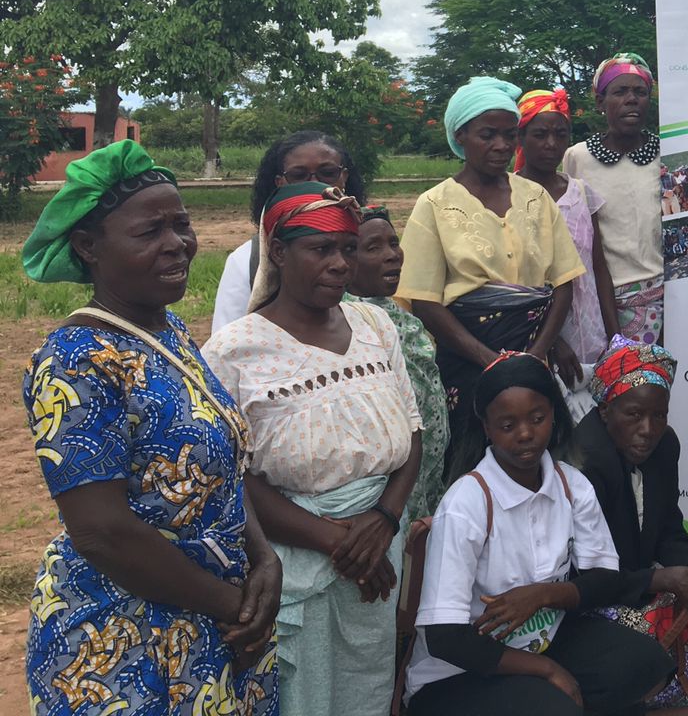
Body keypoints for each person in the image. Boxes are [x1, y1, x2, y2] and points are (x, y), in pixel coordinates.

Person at [21, 143, 280, 716]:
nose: (177, 244)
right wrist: (232, 603)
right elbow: (102, 532)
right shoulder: (77, 360)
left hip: (214, 624)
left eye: (181, 224)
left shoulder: (168, 335)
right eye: (150, 232)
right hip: (122, 643)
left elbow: (220, 466)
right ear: (88, 247)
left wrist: (264, 558)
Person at [204, 182, 422, 716]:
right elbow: (233, 477)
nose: (340, 264)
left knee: (366, 680)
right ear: (278, 251)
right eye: (321, 249)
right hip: (297, 553)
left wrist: (384, 521)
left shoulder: (376, 323)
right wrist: (336, 541)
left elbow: (411, 432)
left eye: (348, 249)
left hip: (379, 544)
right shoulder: (234, 350)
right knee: (299, 693)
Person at [404, 353, 675, 716]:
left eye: (537, 418)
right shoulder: (465, 504)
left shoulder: (570, 484)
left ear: (553, 414)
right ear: (486, 427)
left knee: (647, 662)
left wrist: (543, 595)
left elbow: (606, 580)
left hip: (542, 643)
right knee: (555, 707)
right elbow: (445, 638)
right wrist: (547, 670)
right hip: (457, 673)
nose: (526, 434)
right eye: (507, 424)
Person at [398, 76, 585, 464]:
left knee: (538, 463)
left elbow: (563, 283)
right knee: (471, 465)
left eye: (508, 134)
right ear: (460, 136)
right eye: (487, 135)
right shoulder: (434, 205)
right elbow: (424, 299)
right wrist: (490, 361)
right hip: (467, 362)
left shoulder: (536, 199)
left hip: (533, 358)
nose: (501, 145)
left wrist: (534, 357)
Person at [566, 337, 688, 710]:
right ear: (606, 409)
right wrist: (667, 579)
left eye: (659, 415)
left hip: (636, 575)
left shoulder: (664, 446)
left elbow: (668, 527)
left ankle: (682, 689)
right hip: (588, 597)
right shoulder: (586, 465)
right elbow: (585, 576)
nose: (648, 428)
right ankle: (637, 693)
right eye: (634, 415)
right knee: (641, 627)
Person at [349, 203, 450, 525]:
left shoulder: (398, 315)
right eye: (373, 248)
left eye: (394, 243)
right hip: (385, 493)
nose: (392, 254)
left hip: (426, 476)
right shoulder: (348, 324)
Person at [213, 130, 366, 333]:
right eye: (298, 175)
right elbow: (227, 338)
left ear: (344, 177)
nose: (314, 183)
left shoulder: (371, 247)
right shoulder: (246, 260)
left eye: (328, 173)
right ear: (280, 183)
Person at [517, 86, 622, 375]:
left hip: (591, 332)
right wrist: (552, 343)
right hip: (534, 338)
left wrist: (615, 337)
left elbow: (598, 268)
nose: (551, 143)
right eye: (540, 135)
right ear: (520, 137)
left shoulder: (580, 193)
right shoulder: (508, 197)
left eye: (560, 135)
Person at [563, 53, 666, 345]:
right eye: (620, 92)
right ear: (600, 103)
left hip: (665, 295)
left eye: (640, 92)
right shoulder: (578, 157)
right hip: (601, 300)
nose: (631, 99)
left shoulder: (667, 154)